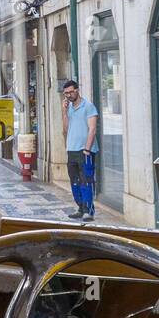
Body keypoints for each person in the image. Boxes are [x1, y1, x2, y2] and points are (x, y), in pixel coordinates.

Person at [61, 78, 99, 222]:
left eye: (70, 92)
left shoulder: (88, 106)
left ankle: (89, 211)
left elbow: (92, 129)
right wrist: (64, 112)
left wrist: (87, 150)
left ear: (77, 91)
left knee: (86, 181)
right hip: (72, 150)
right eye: (66, 93)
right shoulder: (69, 107)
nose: (69, 95)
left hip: (85, 151)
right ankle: (81, 208)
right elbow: (65, 129)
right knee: (74, 181)